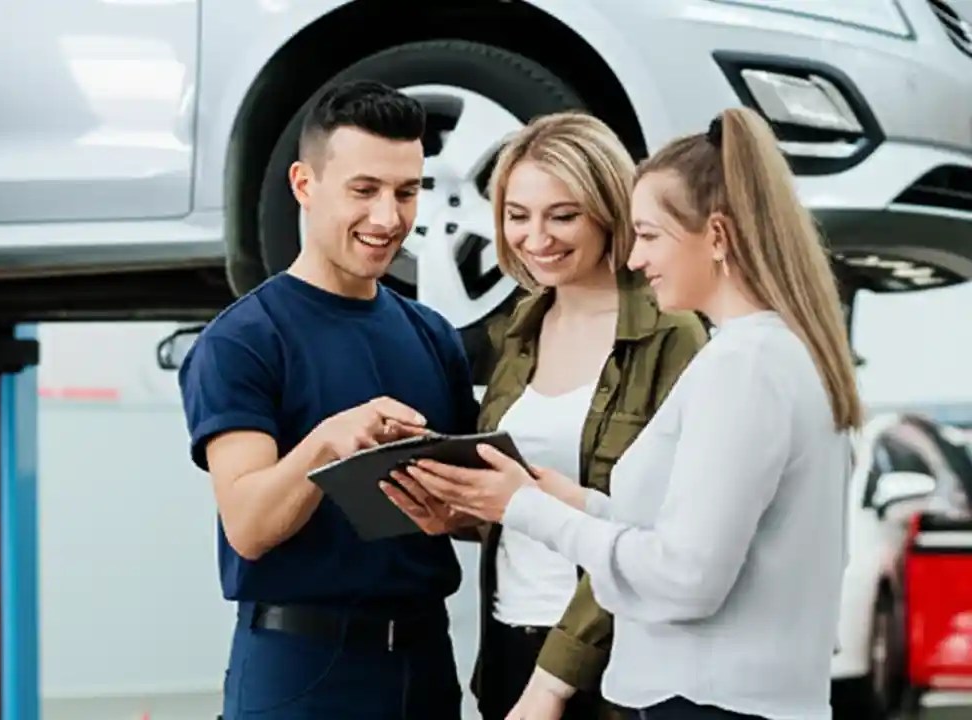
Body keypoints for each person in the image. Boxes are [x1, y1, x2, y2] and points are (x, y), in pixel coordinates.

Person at [404, 106, 862, 720]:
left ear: (718, 238)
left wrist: (528, 507)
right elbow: (681, 532)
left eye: (647, 235)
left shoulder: (740, 366)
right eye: (518, 215)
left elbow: (686, 578)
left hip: (704, 702)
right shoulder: (768, 354)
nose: (637, 257)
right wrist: (562, 505)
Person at [385, 112, 707, 720]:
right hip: (510, 642)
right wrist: (454, 512)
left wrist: (554, 681)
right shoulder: (518, 333)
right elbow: (523, 505)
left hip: (612, 662)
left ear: (608, 209)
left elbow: (662, 532)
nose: (537, 238)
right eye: (517, 215)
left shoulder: (672, 334)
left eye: (563, 215)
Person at [176, 79, 480, 720]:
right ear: (304, 185)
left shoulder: (433, 336)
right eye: (364, 191)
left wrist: (456, 511)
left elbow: (477, 512)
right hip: (303, 671)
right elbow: (250, 526)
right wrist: (327, 441)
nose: (388, 218)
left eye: (407, 192)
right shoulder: (243, 341)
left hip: (426, 664)